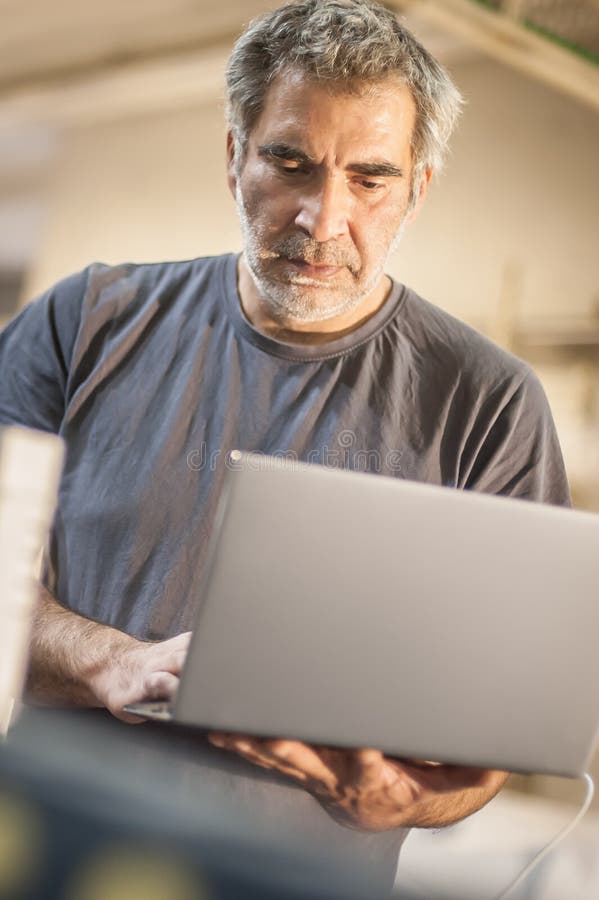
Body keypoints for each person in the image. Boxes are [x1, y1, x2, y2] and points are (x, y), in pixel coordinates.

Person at [0, 0, 570, 890]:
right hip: (54, 856)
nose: (321, 218)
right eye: (290, 163)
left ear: (417, 188)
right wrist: (111, 663)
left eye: (369, 178)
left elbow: (492, 741)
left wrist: (401, 800)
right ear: (234, 156)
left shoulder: (488, 404)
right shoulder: (83, 323)